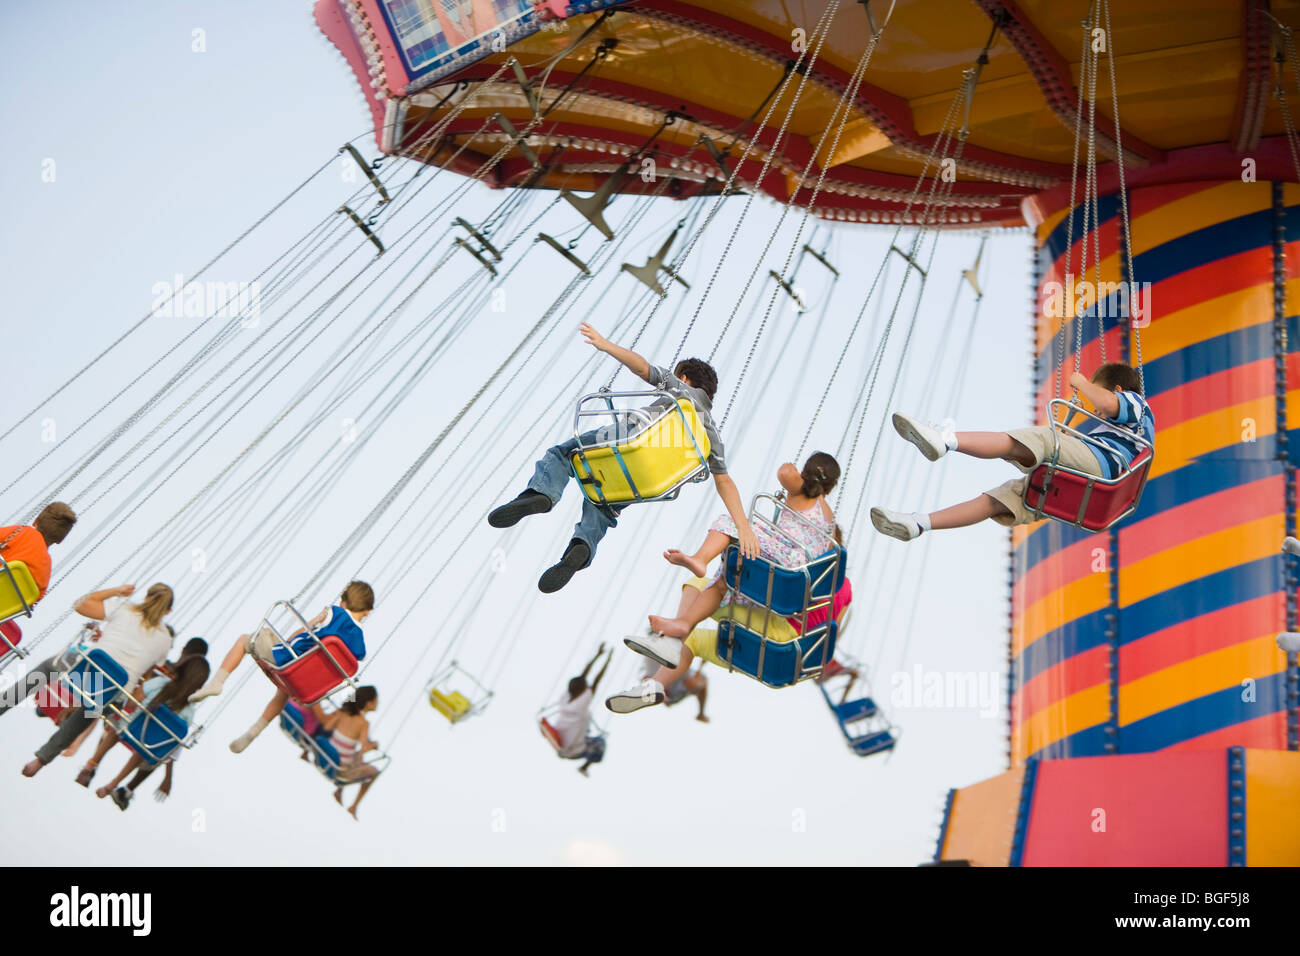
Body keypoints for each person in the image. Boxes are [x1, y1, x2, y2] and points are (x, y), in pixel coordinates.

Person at [487, 322, 758, 593]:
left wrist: (606, 345)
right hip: (648, 480)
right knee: (602, 503)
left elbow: (642, 368)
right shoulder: (709, 431)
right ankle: (580, 548)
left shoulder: (680, 389)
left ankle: (541, 494)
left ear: (685, 377)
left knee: (564, 453)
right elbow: (723, 480)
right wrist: (742, 527)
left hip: (631, 441)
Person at [870, 364, 1155, 539]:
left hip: (1103, 472)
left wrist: (1082, 384)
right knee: (1001, 498)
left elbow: (1109, 404)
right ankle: (919, 523)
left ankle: (945, 440)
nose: (1094, 410)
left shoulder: (1138, 405)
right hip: (1091, 493)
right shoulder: (1116, 433)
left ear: (1118, 389)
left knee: (1044, 438)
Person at [621, 454, 841, 674]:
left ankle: (700, 558)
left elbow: (784, 472)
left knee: (732, 523)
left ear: (807, 472)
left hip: (781, 563)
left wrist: (795, 471)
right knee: (725, 579)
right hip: (787, 586)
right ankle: (682, 628)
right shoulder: (829, 518)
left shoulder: (801, 491)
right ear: (830, 487)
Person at [187, 581, 374, 753]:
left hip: (286, 660)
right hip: (306, 684)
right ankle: (253, 732)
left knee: (245, 640)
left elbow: (296, 636)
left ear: (343, 601)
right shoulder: (360, 642)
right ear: (367, 611)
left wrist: (317, 620)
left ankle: (217, 682)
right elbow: (360, 656)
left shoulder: (335, 612)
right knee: (284, 691)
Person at [9, 583, 174, 777]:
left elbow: (80, 604)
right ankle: (41, 759)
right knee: (92, 711)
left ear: (147, 596)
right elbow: (145, 672)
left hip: (86, 674)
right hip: (111, 692)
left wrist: (117, 591)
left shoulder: (125, 608)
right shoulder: (165, 640)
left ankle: (4, 702)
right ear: (168, 611)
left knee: (47, 668)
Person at [74, 641, 209, 787]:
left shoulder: (161, 683)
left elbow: (131, 702)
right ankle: (114, 784)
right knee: (144, 749)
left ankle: (92, 763)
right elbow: (174, 739)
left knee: (117, 725)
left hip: (129, 726)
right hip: (148, 744)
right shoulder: (190, 711)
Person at [0, 502, 78, 650]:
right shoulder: (46, 569)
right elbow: (29, 604)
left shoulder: (23, 532)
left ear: (36, 521)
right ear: (60, 540)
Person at [314, 686, 382, 820]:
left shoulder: (343, 712)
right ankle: (354, 805)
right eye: (376, 699)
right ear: (368, 703)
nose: (378, 702)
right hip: (341, 769)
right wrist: (374, 745)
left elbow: (327, 727)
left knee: (356, 756)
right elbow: (365, 748)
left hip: (329, 757)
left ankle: (339, 792)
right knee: (374, 771)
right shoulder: (364, 723)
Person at [545, 644, 612, 775]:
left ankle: (584, 764)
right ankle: (585, 766)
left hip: (563, 746)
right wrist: (607, 661)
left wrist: (597, 655)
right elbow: (597, 680)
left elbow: (582, 676)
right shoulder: (581, 704)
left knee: (588, 737)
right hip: (575, 752)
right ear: (582, 689)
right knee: (600, 743)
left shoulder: (565, 699)